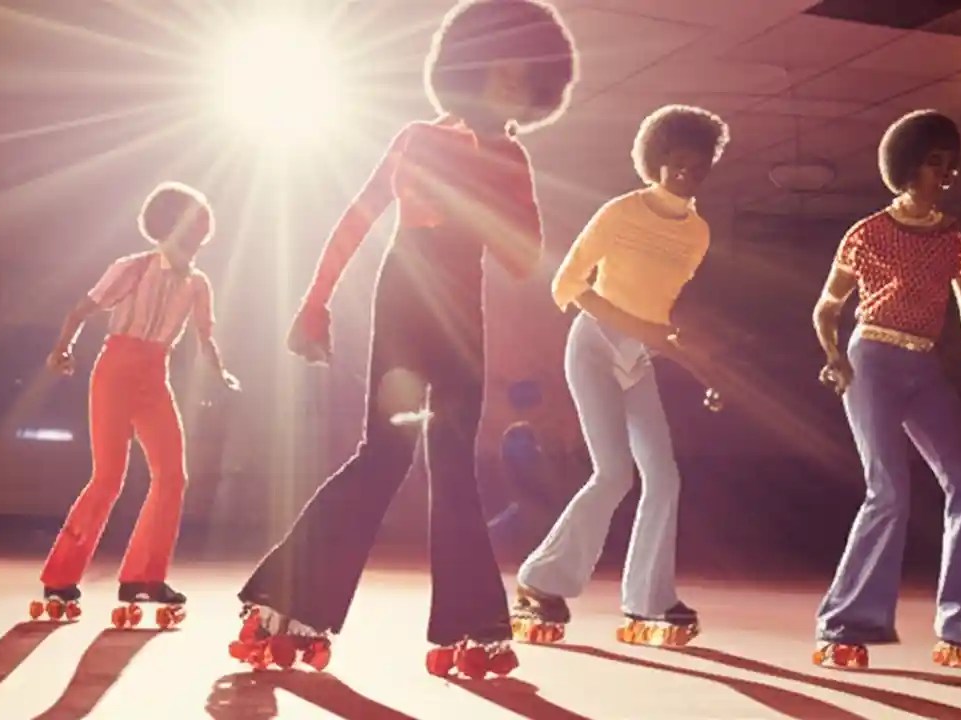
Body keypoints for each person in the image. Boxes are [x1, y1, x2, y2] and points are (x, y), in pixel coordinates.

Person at [229, 0, 578, 679]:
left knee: (454, 468)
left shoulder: (512, 158)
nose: (507, 88)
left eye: (521, 79)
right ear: (464, 71)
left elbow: (523, 259)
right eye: (496, 72)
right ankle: (284, 600)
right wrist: (315, 306)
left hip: (461, 314)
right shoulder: (418, 136)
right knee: (383, 456)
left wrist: (486, 197)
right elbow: (358, 218)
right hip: (405, 297)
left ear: (539, 91)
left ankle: (470, 625)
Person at [512, 105, 729, 648]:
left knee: (665, 477)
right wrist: (637, 326)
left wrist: (701, 366)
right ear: (654, 162)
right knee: (614, 473)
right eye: (676, 163)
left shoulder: (698, 233)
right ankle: (541, 579)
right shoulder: (620, 213)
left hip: (638, 359)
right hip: (591, 347)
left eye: (697, 167)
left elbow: (660, 314)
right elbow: (566, 284)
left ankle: (649, 600)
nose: (686, 174)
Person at [811, 110, 961, 670]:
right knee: (889, 491)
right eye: (932, 163)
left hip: (924, 369)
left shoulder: (956, 235)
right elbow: (828, 307)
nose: (944, 175)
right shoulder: (867, 232)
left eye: (950, 165)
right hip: (871, 359)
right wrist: (832, 355)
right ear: (904, 168)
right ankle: (845, 625)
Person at [35, 182, 238, 629]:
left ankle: (144, 577)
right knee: (108, 477)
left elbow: (205, 337)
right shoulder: (132, 268)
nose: (206, 224)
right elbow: (81, 309)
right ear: (173, 224)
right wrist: (61, 349)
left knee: (173, 476)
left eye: (206, 217)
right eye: (198, 216)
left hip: (154, 374)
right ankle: (61, 577)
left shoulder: (198, 283)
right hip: (116, 369)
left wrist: (219, 376)